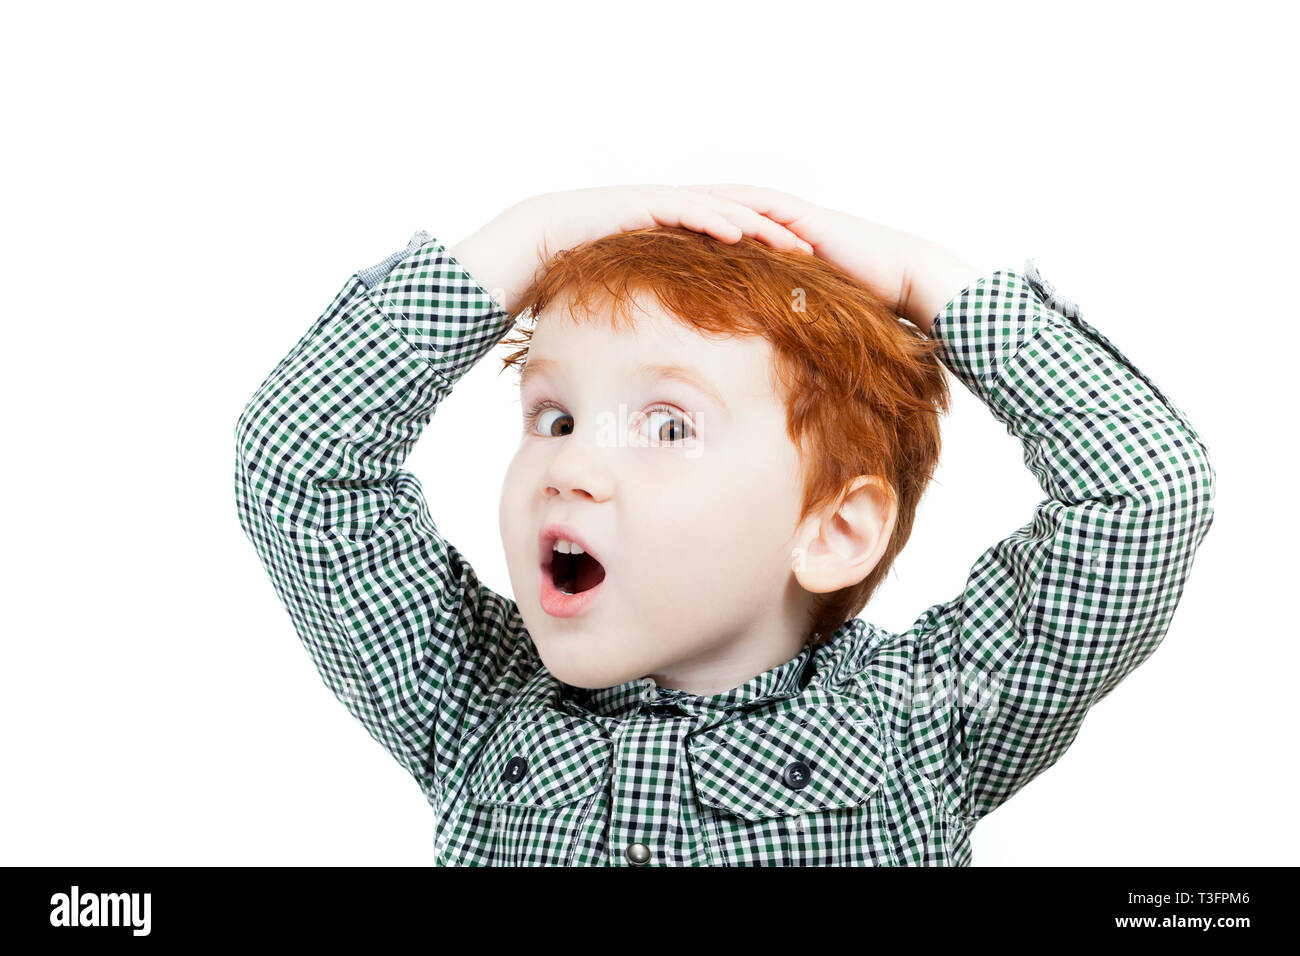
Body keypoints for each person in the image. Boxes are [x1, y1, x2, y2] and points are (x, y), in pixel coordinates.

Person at [234, 184, 1216, 866]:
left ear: (831, 530)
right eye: (555, 417)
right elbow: (299, 459)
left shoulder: (929, 714)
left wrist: (930, 282)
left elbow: (1143, 495)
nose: (570, 464)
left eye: (667, 424)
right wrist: (530, 237)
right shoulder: (465, 691)